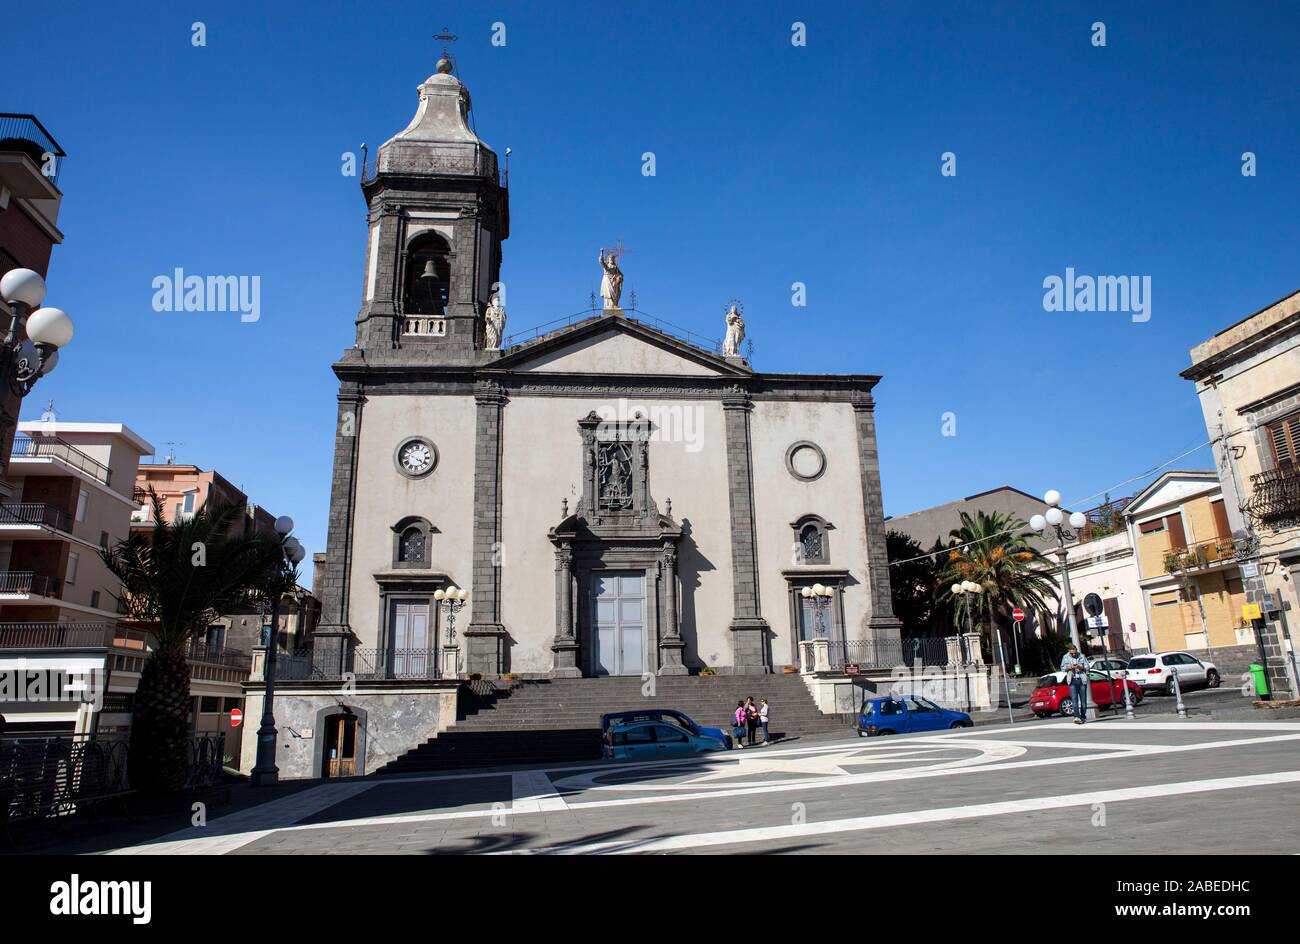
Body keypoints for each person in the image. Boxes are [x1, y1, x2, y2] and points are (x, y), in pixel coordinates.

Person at [1060, 644, 1090, 724]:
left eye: (1074, 653)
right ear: (1069, 651)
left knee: (1083, 701)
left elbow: (1087, 668)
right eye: (1072, 653)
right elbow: (1062, 668)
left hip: (1082, 680)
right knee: (1074, 700)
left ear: (1076, 651)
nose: (1073, 655)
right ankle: (1076, 717)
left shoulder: (1082, 656)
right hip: (1072, 680)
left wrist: (1080, 667)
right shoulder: (1065, 657)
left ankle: (1083, 716)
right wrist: (1069, 667)